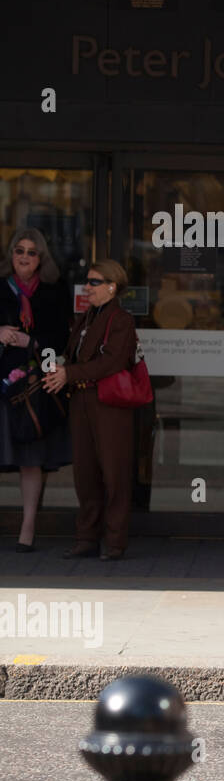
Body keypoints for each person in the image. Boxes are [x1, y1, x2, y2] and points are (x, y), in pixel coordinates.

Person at [42, 259, 138, 561]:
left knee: (114, 474)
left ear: (112, 286)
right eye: (87, 281)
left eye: (94, 282)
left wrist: (69, 374)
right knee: (85, 474)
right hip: (82, 402)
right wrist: (63, 370)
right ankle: (87, 537)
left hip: (109, 405)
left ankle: (114, 542)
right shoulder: (87, 318)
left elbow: (111, 363)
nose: (87, 287)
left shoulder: (120, 319)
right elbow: (79, 357)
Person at [0, 228, 73, 552]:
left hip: (32, 388)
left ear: (41, 259)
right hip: (1, 382)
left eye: (31, 252)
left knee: (30, 459)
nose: (25, 257)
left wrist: (33, 341)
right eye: (19, 251)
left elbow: (61, 343)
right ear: (11, 255)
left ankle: (27, 528)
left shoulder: (54, 293)